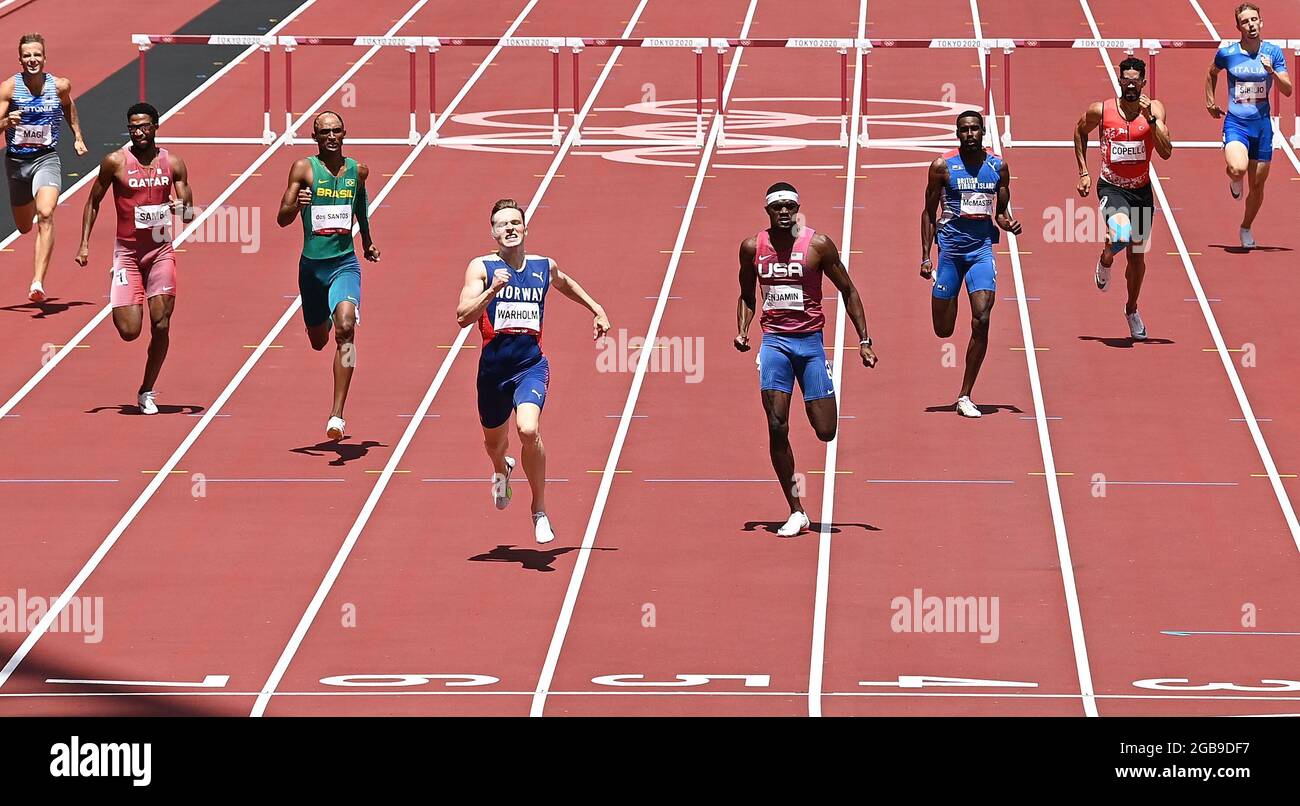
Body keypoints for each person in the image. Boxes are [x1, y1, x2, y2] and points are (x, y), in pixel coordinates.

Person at [456, 198, 610, 545]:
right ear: (493, 232)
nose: (509, 228)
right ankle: (501, 469)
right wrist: (492, 290)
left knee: (528, 429)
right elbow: (462, 316)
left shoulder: (543, 266)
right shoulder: (480, 268)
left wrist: (596, 308)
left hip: (530, 366)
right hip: (493, 374)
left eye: (515, 222)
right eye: (502, 224)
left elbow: (564, 282)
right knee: (494, 445)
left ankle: (539, 509)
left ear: (525, 228)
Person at [735, 182, 877, 538]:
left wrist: (864, 339)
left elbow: (848, 290)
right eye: (777, 207)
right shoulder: (752, 248)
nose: (784, 212)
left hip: (810, 345)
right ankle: (796, 509)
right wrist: (743, 330)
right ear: (767, 211)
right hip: (775, 345)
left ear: (797, 209)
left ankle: (821, 387)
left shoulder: (818, 245)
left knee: (826, 431)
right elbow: (746, 295)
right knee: (777, 424)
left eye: (789, 206)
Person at [75, 103, 190, 414]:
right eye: (133, 127)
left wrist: (179, 209)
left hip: (160, 251)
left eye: (144, 126)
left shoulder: (173, 163)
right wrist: (84, 244)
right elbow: (92, 202)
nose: (138, 132)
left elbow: (189, 210)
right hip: (126, 253)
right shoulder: (115, 162)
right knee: (129, 332)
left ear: (155, 126)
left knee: (161, 323)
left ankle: (147, 390)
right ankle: (121, 281)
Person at [276, 111, 379, 440]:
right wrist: (298, 205)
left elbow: (360, 205)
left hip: (344, 264)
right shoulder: (304, 168)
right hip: (312, 269)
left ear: (345, 133)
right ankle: (316, 324)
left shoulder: (357, 170)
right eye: (324, 133)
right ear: (315, 137)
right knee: (319, 340)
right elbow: (282, 217)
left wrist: (368, 242)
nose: (331, 137)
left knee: (346, 329)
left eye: (336, 131)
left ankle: (337, 414)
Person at [920, 111, 1020, 417]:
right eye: (964, 130)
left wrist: (1008, 223)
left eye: (975, 129)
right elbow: (927, 212)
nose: (970, 134)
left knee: (982, 318)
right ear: (957, 134)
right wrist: (926, 256)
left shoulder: (998, 167)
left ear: (983, 133)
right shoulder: (942, 168)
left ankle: (965, 395)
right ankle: (943, 291)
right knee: (943, 330)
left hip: (981, 251)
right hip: (949, 254)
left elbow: (1000, 212)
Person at [1074, 56, 1173, 341]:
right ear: (1119, 81)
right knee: (1120, 232)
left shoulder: (1154, 110)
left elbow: (1166, 152)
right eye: (1125, 81)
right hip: (1111, 187)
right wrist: (1083, 172)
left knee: (1137, 257)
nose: (1130, 86)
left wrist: (1152, 121)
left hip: (1141, 191)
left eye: (1135, 82)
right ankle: (1106, 258)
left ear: (1143, 83)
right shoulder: (1101, 111)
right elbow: (1079, 131)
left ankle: (1131, 309)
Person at [1, 33, 87, 302]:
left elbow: (68, 107)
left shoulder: (60, 86)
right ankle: (36, 273)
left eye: (37, 54)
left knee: (46, 213)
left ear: (45, 58)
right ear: (20, 60)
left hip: (45, 158)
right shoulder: (9, 89)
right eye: (27, 56)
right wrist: (6, 122)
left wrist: (78, 137)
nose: (32, 60)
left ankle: (37, 282)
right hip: (16, 163)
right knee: (25, 226)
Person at [1205, 2, 1292, 249]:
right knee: (1237, 168)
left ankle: (1246, 227)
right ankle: (1235, 178)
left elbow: (1287, 90)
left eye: (1254, 20)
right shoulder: (1228, 53)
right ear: (1238, 26)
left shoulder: (1273, 53)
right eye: (1245, 21)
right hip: (1236, 123)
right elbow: (1212, 72)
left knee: (1257, 186)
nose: (1251, 25)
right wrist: (1210, 101)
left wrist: (1272, 72)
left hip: (1262, 127)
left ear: (1261, 22)